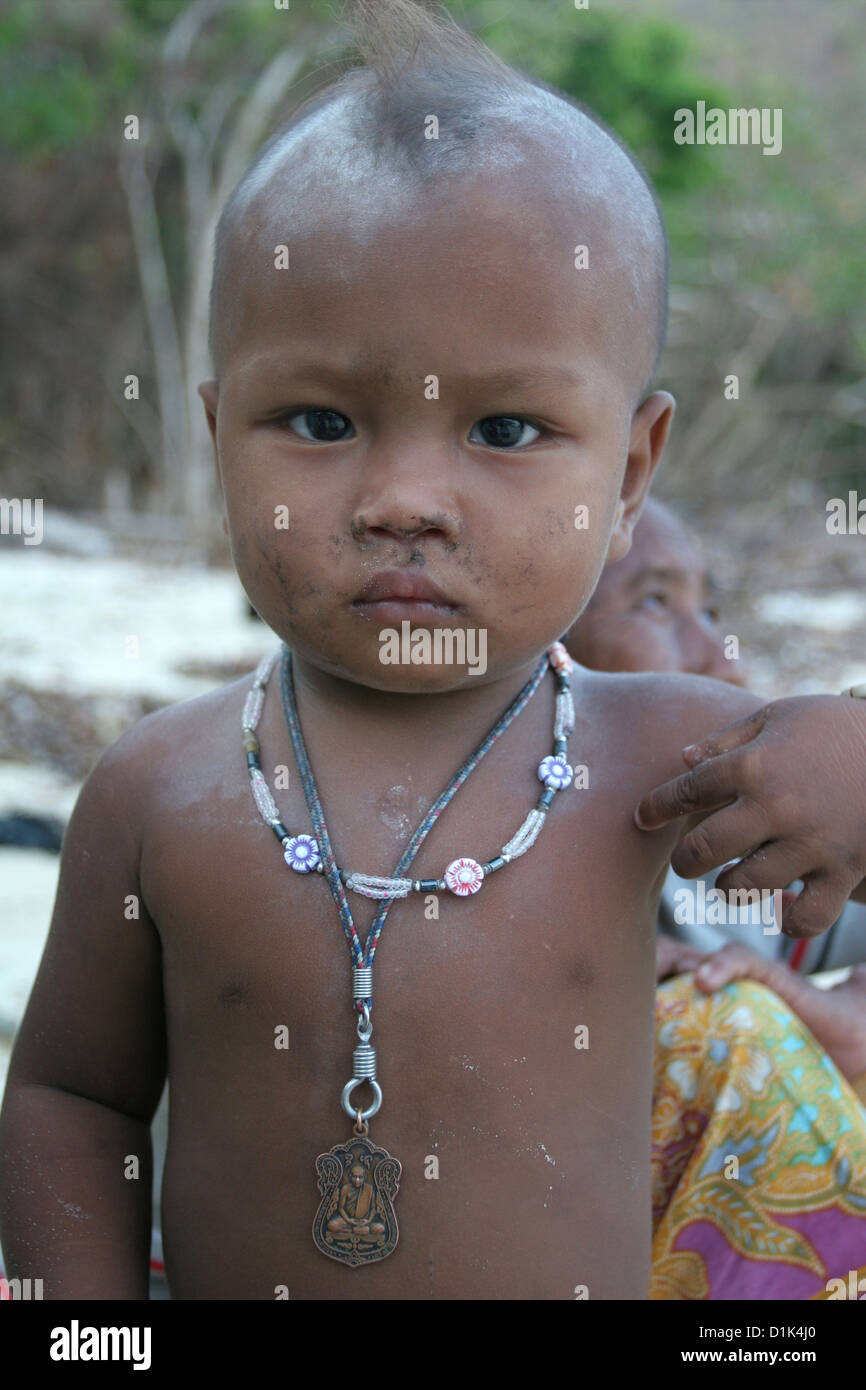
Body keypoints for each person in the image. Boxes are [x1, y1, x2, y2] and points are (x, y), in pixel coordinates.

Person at [2, 0, 865, 1301]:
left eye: (505, 431)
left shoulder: (661, 749)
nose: (405, 497)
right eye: (317, 417)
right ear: (215, 429)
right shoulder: (156, 791)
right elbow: (73, 1092)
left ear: (629, 470)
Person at [564, 497, 866, 1093]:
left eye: (710, 610)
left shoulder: (752, 838)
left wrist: (854, 1020)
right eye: (654, 602)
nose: (723, 660)